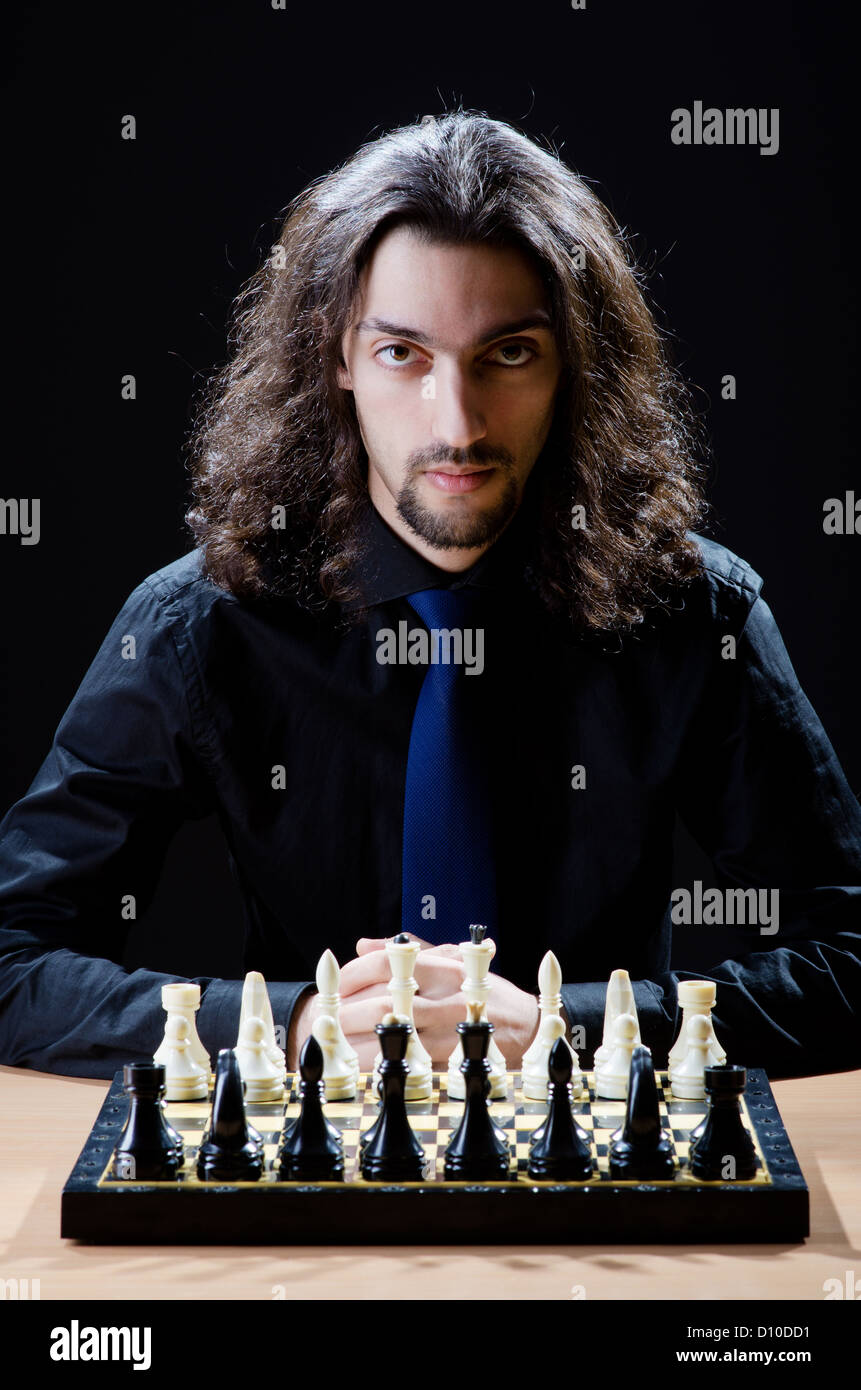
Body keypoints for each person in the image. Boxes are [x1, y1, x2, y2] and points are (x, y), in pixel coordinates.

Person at [0, 111, 858, 1082]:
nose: (456, 421)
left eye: (510, 353)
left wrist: (578, 1030)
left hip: (610, 1195)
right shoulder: (198, 628)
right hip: (300, 1200)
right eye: (403, 354)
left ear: (574, 362)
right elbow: (9, 960)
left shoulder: (702, 619)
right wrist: (285, 1029)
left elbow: (856, 955)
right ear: (337, 357)